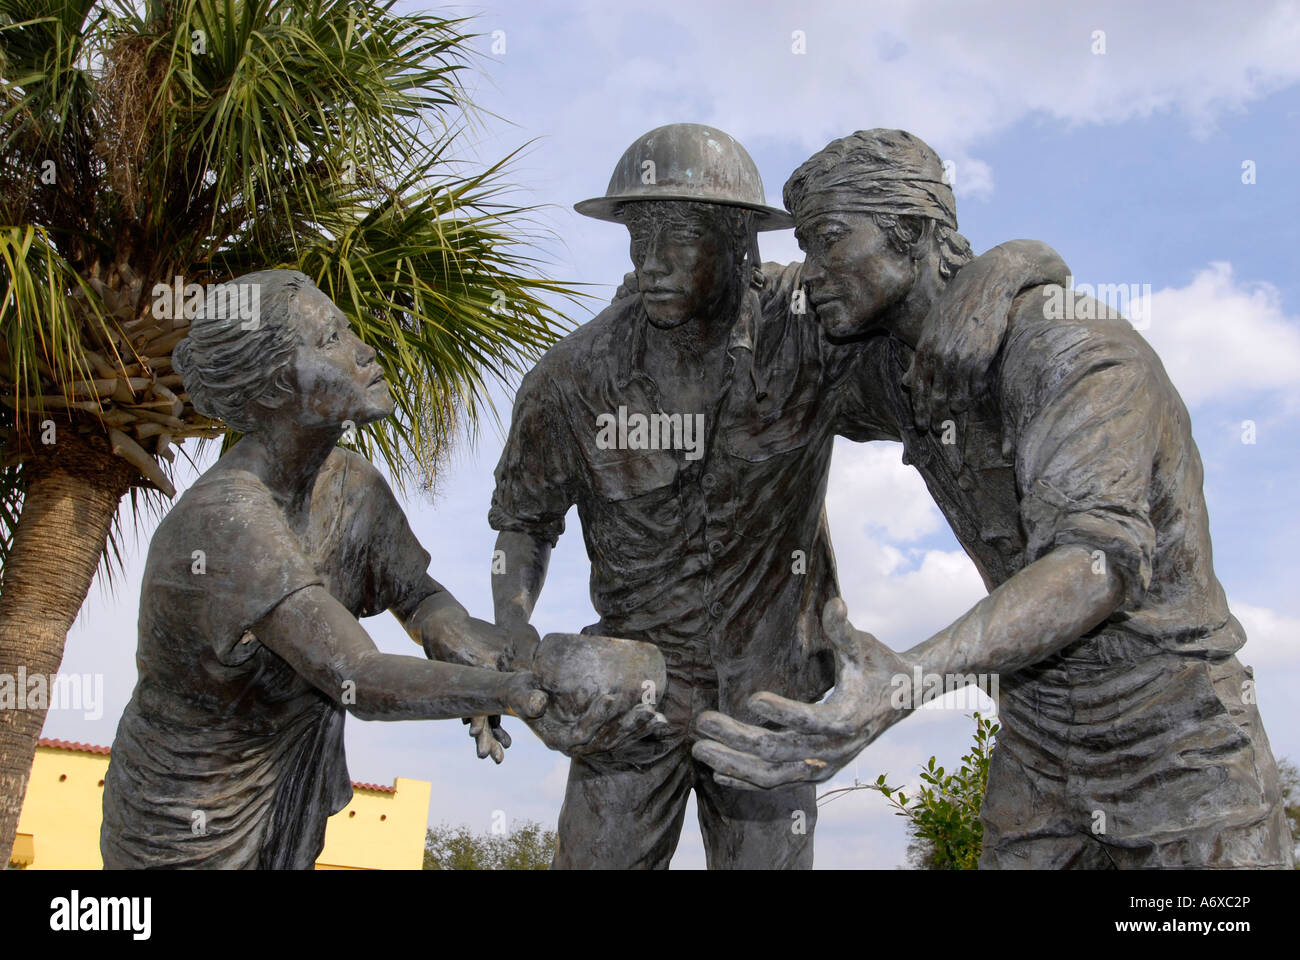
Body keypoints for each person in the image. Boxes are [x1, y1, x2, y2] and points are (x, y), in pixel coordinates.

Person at [692, 129, 1294, 869]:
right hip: (1039, 740)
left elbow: (1095, 563)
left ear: (909, 232)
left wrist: (904, 681)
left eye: (828, 241)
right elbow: (740, 310)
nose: (810, 271)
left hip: (1177, 733)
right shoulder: (886, 366)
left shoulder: (1072, 347)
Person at [488, 124, 1060, 868]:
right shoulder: (570, 381)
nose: (651, 263)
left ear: (739, 242)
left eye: (679, 239)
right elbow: (522, 528)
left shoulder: (812, 326)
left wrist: (1017, 262)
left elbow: (929, 290)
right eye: (638, 238)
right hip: (632, 708)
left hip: (770, 702)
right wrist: (511, 635)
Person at [101, 270, 546, 869]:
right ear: (277, 386)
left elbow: (417, 593)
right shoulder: (225, 519)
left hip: (285, 791)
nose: (365, 350)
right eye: (331, 339)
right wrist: (513, 691)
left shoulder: (352, 487)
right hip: (188, 819)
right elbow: (354, 674)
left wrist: (447, 632)